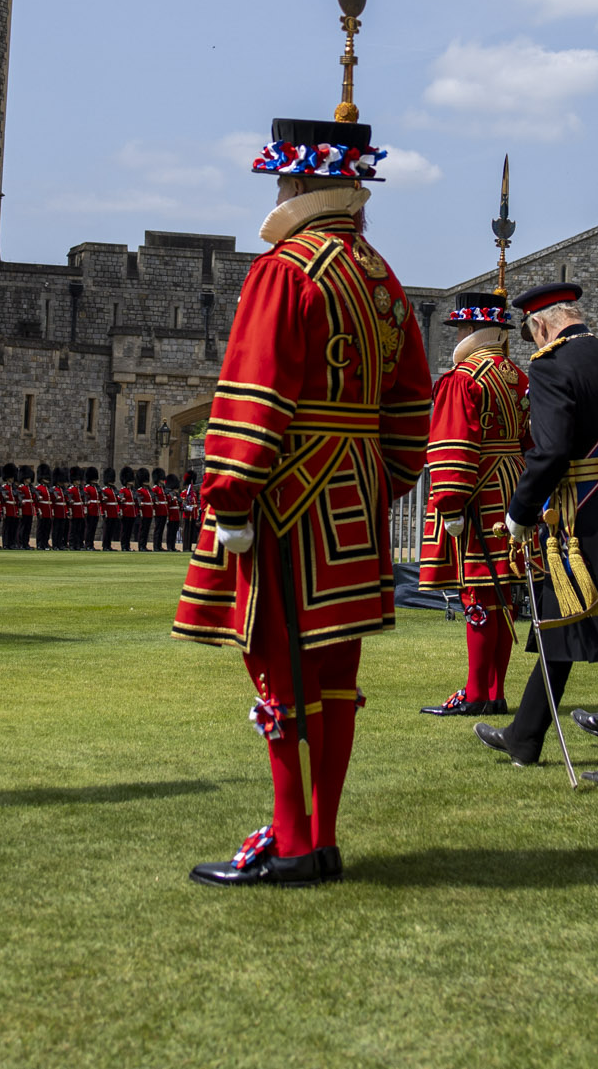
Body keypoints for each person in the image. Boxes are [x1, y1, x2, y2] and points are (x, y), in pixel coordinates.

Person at [173, 109, 431, 888]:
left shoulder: (286, 269)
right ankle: (320, 831)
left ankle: (292, 840)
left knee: (278, 668)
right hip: (352, 493)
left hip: (285, 495)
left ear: (300, 179)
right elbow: (412, 409)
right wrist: (376, 481)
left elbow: (252, 397)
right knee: (336, 675)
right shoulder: (382, 280)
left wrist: (233, 497)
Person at [474, 280, 598, 785]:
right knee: (561, 625)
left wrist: (519, 512)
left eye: (531, 334)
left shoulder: (549, 367)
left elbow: (551, 450)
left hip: (575, 521)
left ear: (540, 323)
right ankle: (525, 735)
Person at [416, 298, 528, 717]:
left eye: (462, 331)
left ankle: (478, 692)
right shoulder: (518, 377)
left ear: (474, 333)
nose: (458, 337)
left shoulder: (462, 379)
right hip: (513, 489)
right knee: (502, 596)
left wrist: (451, 504)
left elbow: (452, 447)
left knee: (478, 593)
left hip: (478, 494)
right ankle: (494, 691)